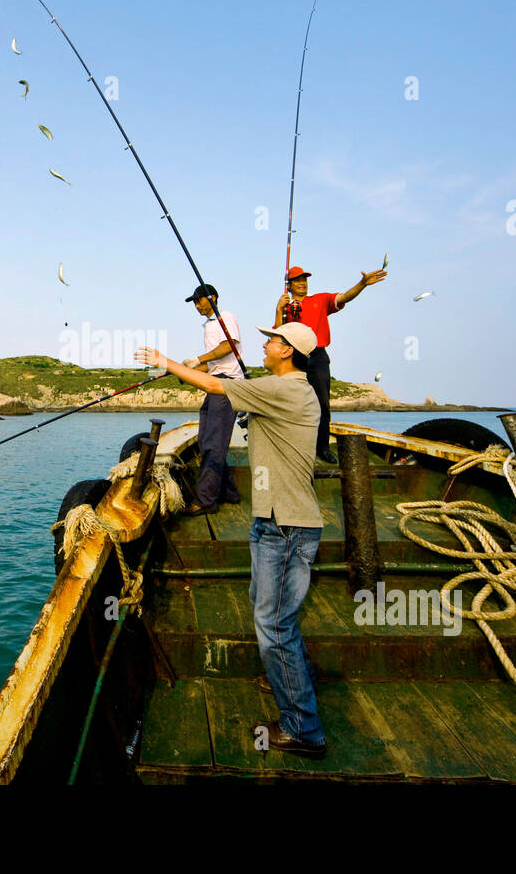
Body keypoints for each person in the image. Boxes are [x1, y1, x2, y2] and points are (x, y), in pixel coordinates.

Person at [136, 321, 327, 760]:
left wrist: (166, 363)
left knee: (274, 626)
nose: (264, 344)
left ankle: (304, 730)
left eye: (273, 341)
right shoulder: (287, 390)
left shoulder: (286, 390)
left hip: (285, 525)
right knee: (276, 620)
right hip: (282, 521)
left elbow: (213, 384)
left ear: (289, 352)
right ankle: (286, 680)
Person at [275, 264, 387, 464]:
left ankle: (322, 447)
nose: (302, 283)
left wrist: (362, 284)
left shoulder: (320, 299)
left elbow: (344, 297)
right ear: (289, 285)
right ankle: (294, 445)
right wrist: (279, 309)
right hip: (294, 356)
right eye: (297, 280)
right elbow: (278, 334)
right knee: (293, 403)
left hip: (317, 356)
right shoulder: (286, 307)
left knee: (322, 403)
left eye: (304, 279)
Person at [180, 284, 243, 516]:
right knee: (206, 439)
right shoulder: (208, 325)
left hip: (227, 386)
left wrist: (197, 359)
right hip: (215, 385)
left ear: (213, 298)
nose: (197, 306)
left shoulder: (225, 317)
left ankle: (206, 500)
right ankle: (228, 491)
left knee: (213, 443)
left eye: (199, 301)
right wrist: (187, 371)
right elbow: (213, 364)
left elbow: (229, 346)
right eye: (194, 303)